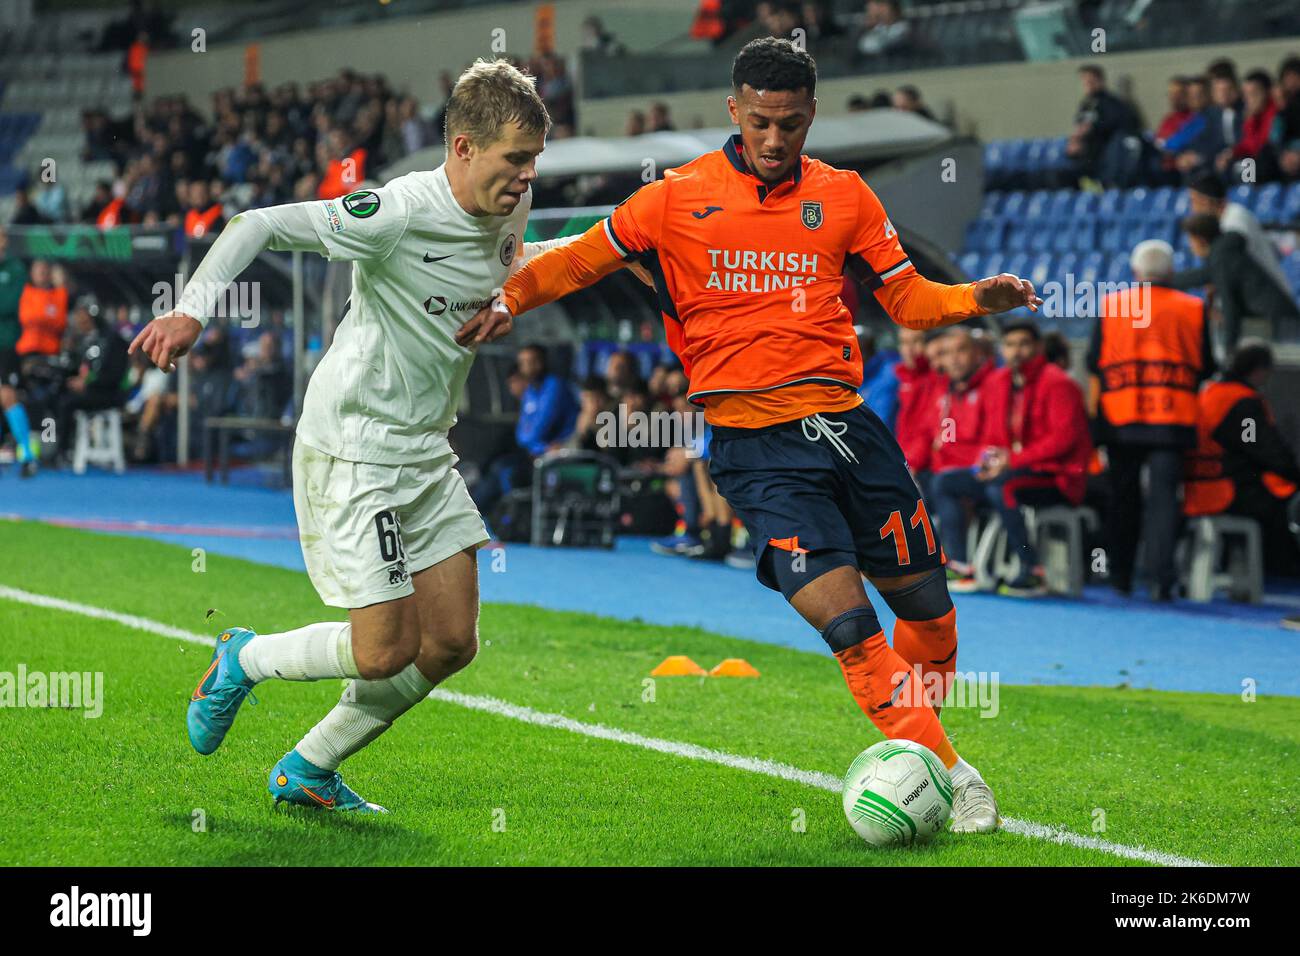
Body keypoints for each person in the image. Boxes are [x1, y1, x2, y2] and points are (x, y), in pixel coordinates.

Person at [469, 38, 1043, 834]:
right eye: (763, 121)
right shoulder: (674, 198)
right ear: (734, 111)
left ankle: (916, 745)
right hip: (754, 446)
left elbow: (907, 301)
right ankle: (954, 774)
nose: (777, 140)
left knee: (935, 620)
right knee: (849, 626)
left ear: (812, 118)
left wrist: (976, 298)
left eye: (794, 125)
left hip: (849, 432)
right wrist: (508, 301)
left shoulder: (844, 197)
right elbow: (573, 263)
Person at [130, 59, 566, 814]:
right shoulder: (395, 211)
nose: (527, 178)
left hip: (427, 448)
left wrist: (516, 290)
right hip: (355, 444)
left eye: (533, 162)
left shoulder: (511, 207)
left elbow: (508, 260)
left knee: (452, 642)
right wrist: (194, 309)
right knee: (383, 651)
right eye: (514, 161)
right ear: (463, 147)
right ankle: (243, 657)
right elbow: (256, 223)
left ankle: (308, 767)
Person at [1088, 239, 1216, 601]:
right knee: (1164, 502)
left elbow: (1094, 362)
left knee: (1122, 499)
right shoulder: (1193, 308)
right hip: (1172, 421)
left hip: (1121, 419)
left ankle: (1121, 577)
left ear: (1135, 273)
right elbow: (1208, 364)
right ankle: (1161, 581)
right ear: (1172, 272)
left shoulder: (1112, 305)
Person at [975, 320, 1092, 597]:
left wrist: (1012, 461)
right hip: (1012, 470)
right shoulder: (997, 382)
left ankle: (1032, 570)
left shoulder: (1059, 383)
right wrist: (984, 462)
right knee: (947, 483)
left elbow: (1064, 440)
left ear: (1038, 348)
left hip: (1057, 476)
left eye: (1024, 344)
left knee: (1003, 487)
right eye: (1010, 345)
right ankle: (960, 565)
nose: (1017, 352)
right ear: (1002, 349)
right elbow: (989, 435)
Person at [1184, 341, 1300, 577]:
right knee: (1284, 503)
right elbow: (1259, 446)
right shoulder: (1242, 403)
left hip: (1195, 487)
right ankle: (1274, 575)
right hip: (1227, 490)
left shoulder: (1208, 394)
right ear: (1259, 370)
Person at [916, 326, 997, 591]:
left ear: (978, 354)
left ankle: (960, 565)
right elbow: (928, 434)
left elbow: (995, 438)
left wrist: (977, 466)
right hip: (948, 472)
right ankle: (909, 563)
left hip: (983, 473)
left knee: (943, 483)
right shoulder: (946, 391)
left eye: (961, 351)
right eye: (948, 353)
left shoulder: (993, 385)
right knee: (904, 483)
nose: (954, 359)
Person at [1176, 212, 1300, 355]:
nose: (1191, 247)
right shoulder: (1224, 255)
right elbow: (1198, 276)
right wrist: (1153, 281)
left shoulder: (1223, 260)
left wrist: (1229, 354)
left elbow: (1230, 308)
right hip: (1278, 321)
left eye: (1191, 241)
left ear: (1200, 240)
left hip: (1282, 325)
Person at [52, 300, 130, 466]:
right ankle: (58, 446)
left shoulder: (113, 340)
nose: (80, 324)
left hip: (110, 394)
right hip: (94, 390)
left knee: (67, 403)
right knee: (55, 395)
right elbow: (82, 368)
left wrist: (87, 384)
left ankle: (62, 452)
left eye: (84, 321)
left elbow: (113, 376)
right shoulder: (87, 340)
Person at [0, 227, 40, 476]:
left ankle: (27, 453)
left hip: (6, 343)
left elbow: (11, 303)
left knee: (7, 395)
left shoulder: (15, 270)